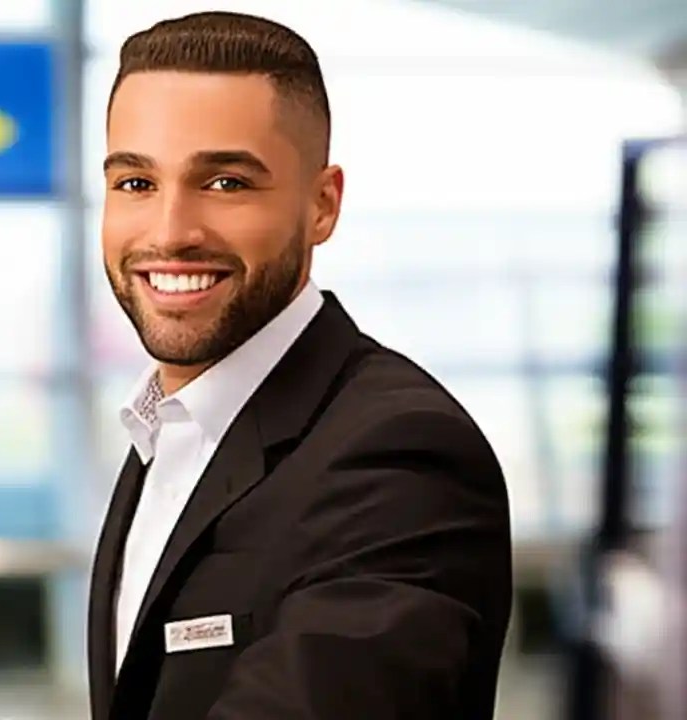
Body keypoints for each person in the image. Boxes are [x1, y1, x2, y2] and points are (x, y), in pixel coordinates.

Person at [87, 12, 513, 720]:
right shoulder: (171, 433)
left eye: (225, 183)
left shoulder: (399, 455)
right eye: (136, 184)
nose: (169, 233)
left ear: (322, 206)